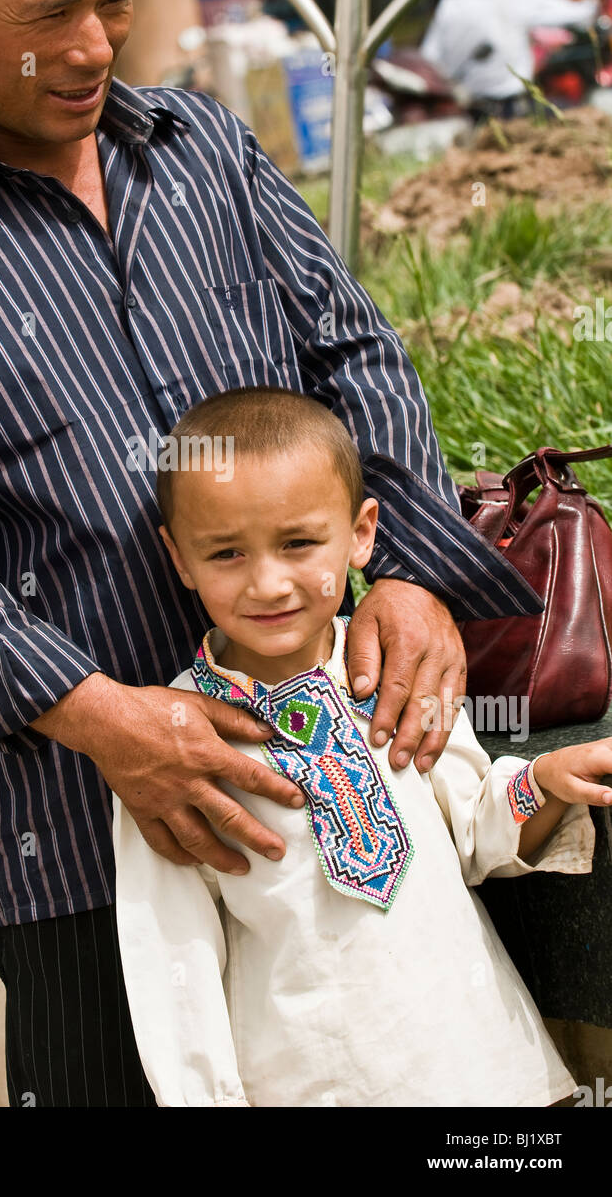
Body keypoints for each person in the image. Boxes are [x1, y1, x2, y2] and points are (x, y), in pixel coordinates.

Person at [0, 0, 544, 1108]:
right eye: (48, 17)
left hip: (321, 816)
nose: (92, 46)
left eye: (116, 0)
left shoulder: (201, 150)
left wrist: (411, 578)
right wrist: (106, 720)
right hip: (81, 847)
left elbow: (348, 355)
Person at [113, 386, 609, 1107]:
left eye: (298, 543)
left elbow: (472, 829)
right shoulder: (174, 743)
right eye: (225, 553)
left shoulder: (400, 670)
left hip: (487, 1072)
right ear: (178, 558)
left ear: (361, 532)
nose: (267, 582)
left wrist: (549, 778)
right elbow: (172, 970)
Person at [420, 0, 605, 121]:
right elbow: (583, 14)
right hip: (514, 110)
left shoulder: (451, 3)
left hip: (467, 111)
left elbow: (428, 58)